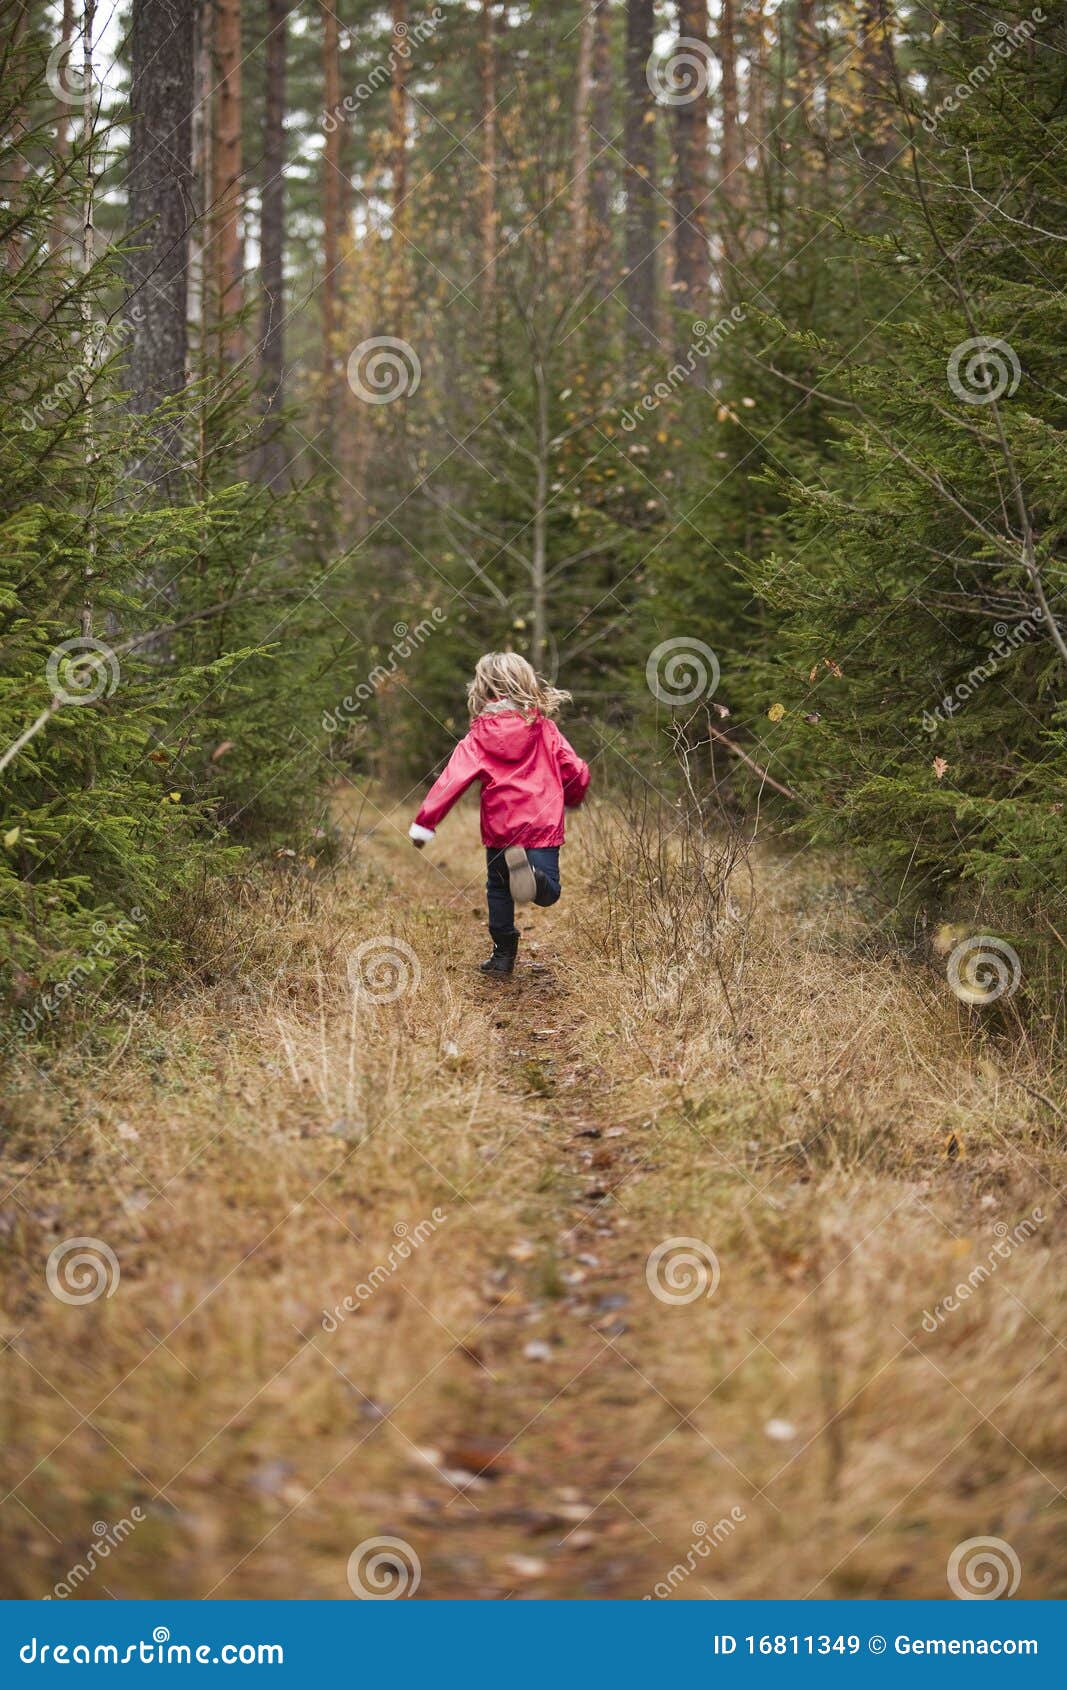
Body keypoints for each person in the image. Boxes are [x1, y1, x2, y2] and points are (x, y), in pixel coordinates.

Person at [409, 651, 590, 975]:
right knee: (549, 892)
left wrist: (425, 824)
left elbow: (451, 782)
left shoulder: (478, 735)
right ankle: (536, 880)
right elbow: (575, 769)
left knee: (498, 889)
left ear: (483, 689)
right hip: (542, 823)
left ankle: (502, 958)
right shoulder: (544, 728)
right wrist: (573, 797)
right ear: (525, 683)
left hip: (501, 827)